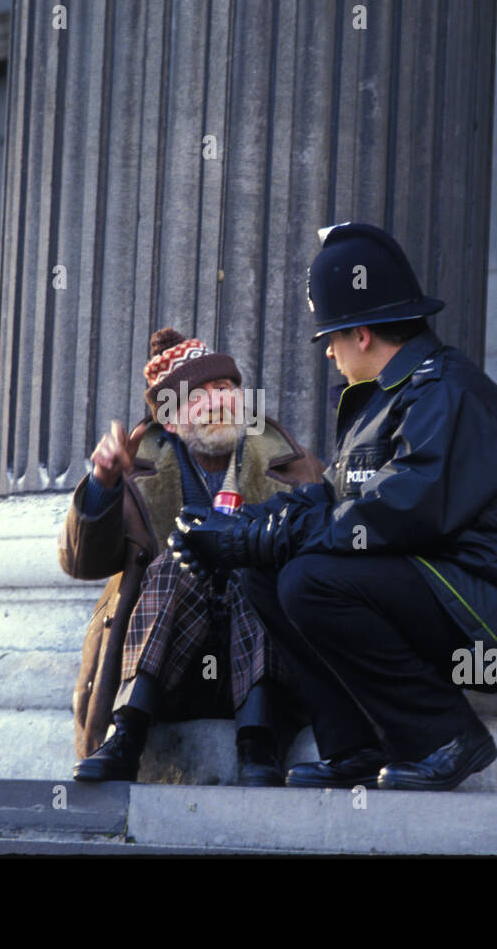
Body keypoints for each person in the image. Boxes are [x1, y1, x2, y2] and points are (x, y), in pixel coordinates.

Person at [170, 222, 497, 790]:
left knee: (310, 579)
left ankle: (445, 737)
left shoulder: (443, 392)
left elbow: (399, 509)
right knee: (265, 574)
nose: (329, 353)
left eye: (331, 338)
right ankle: (353, 748)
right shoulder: (387, 395)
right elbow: (336, 500)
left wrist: (266, 537)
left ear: (361, 335)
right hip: (444, 579)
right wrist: (236, 529)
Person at [59, 328, 324, 785]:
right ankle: (126, 734)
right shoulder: (137, 466)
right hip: (168, 670)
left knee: (254, 567)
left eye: (224, 389)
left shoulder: (292, 464)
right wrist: (104, 483)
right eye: (197, 397)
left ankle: (258, 743)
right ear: (172, 420)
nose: (217, 401)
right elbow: (80, 564)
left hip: (264, 668)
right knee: (170, 564)